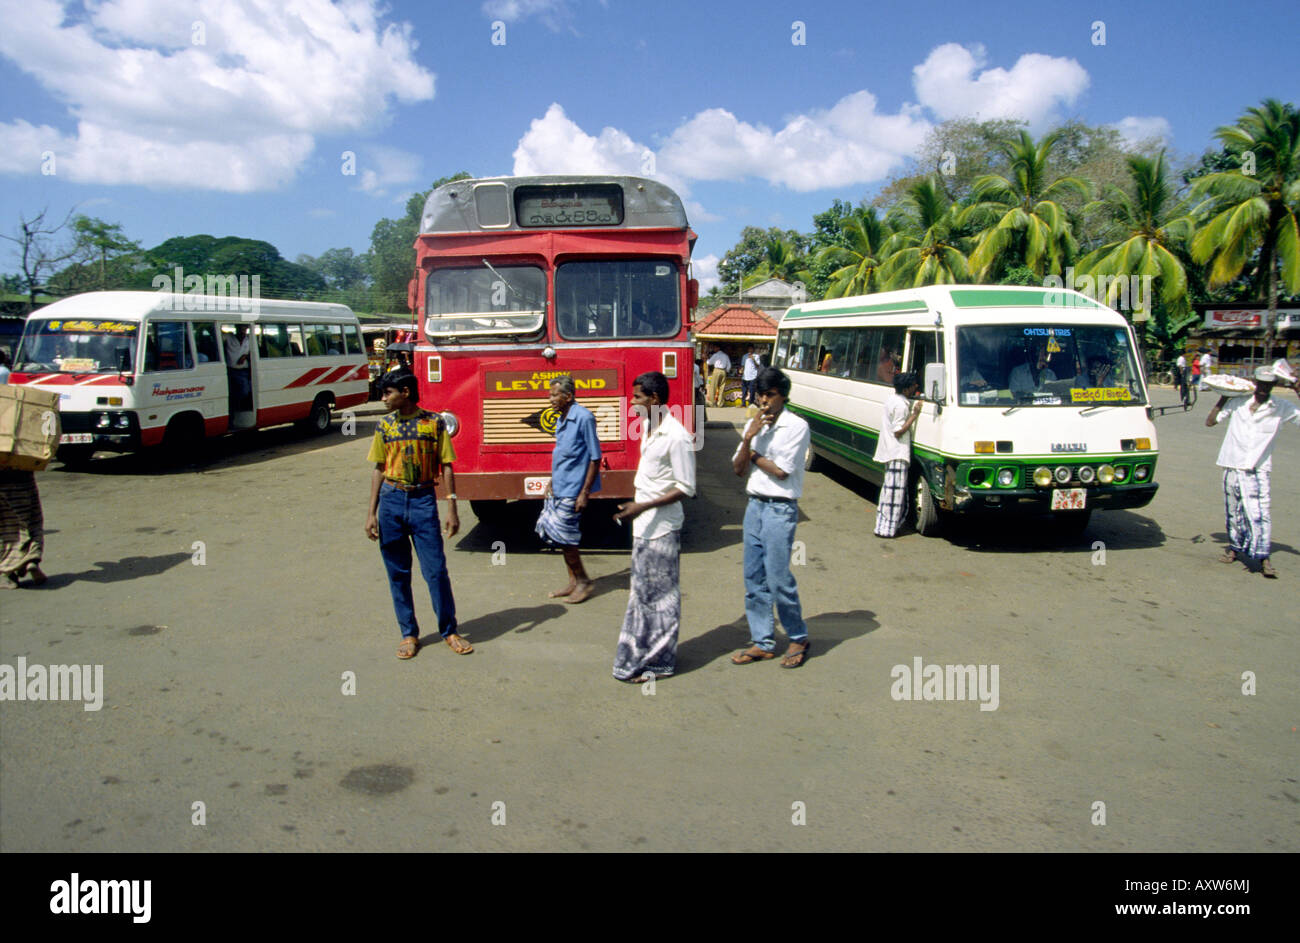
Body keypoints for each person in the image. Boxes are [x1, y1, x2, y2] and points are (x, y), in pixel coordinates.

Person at [364, 369, 472, 658]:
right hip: (391, 501)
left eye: (388, 393)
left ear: (406, 393)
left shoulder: (434, 423)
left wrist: (452, 507)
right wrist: (371, 512)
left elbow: (447, 464)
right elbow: (378, 467)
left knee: (435, 571)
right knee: (397, 573)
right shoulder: (384, 426)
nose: (384, 398)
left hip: (424, 501)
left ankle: (449, 630)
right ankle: (408, 633)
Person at [611, 372, 696, 682]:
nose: (632, 404)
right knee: (643, 595)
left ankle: (659, 663)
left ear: (655, 400)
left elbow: (686, 487)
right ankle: (637, 657)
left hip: (662, 529)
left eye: (637, 398)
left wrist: (641, 506)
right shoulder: (650, 426)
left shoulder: (677, 436)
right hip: (644, 527)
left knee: (662, 600)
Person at [729, 367, 811, 669]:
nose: (764, 401)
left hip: (780, 508)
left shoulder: (796, 426)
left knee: (778, 579)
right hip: (755, 506)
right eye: (760, 394)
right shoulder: (755, 426)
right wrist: (749, 437)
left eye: (771, 395)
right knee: (753, 579)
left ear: (783, 396)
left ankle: (798, 635)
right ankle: (763, 641)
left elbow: (781, 470)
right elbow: (738, 469)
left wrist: (750, 451)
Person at [1205, 365, 1300, 578]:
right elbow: (1210, 422)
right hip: (1232, 463)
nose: (1264, 388)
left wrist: (1297, 390)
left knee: (1259, 514)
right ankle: (1234, 548)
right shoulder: (1238, 402)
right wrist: (1224, 397)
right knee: (1234, 510)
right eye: (1262, 384)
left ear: (1274, 385)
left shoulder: (1281, 407)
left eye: (1269, 384)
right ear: (1255, 383)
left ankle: (1263, 556)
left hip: (1257, 468)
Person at [536, 375, 602, 603]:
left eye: (554, 395)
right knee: (559, 536)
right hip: (560, 486)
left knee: (566, 538)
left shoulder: (584, 418)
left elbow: (595, 457)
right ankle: (574, 581)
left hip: (574, 489)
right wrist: (552, 481)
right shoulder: (561, 419)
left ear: (569, 396)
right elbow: (562, 454)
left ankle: (584, 581)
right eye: (550, 394)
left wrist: (584, 492)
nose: (550, 398)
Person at [873, 372, 924, 538]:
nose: (916, 388)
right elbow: (898, 431)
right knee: (895, 493)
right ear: (907, 388)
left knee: (889, 490)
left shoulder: (892, 400)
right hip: (897, 452)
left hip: (890, 451)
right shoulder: (901, 406)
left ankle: (883, 526)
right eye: (914, 385)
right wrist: (915, 415)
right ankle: (888, 529)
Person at [0, 469, 46, 589]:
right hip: (23, 477)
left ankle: (9, 574)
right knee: (32, 521)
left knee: (6, 527)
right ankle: (32, 559)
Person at [224, 325, 252, 410]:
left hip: (243, 371)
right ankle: (234, 409)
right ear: (236, 328)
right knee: (230, 393)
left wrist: (245, 356)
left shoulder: (249, 340)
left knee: (244, 392)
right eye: (240, 328)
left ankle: (237, 407)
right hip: (230, 371)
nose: (242, 331)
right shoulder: (229, 337)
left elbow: (254, 353)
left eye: (244, 329)